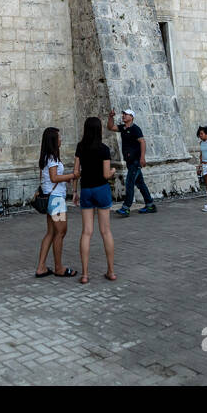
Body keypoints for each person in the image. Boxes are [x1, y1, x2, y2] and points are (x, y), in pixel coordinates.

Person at [73, 116, 117, 284]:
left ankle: (85, 274)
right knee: (105, 231)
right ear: (99, 130)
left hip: (86, 190)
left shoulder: (80, 147)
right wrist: (113, 171)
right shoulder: (104, 149)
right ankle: (111, 271)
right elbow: (106, 174)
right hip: (102, 189)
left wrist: (74, 191)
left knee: (86, 232)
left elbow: (76, 171)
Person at [35, 127, 78, 278]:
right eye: (59, 137)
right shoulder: (52, 158)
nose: (61, 140)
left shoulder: (47, 157)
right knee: (60, 232)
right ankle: (59, 267)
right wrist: (71, 175)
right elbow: (54, 178)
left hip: (50, 197)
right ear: (53, 140)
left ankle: (41, 267)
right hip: (56, 199)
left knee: (51, 232)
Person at [110, 108, 155, 216]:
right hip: (129, 161)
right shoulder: (123, 128)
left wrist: (142, 158)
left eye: (126, 114)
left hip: (135, 161)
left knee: (129, 183)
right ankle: (150, 205)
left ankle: (126, 208)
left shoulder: (136, 129)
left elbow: (142, 142)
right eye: (123, 114)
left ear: (132, 117)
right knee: (140, 184)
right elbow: (110, 127)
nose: (124, 116)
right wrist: (110, 117)